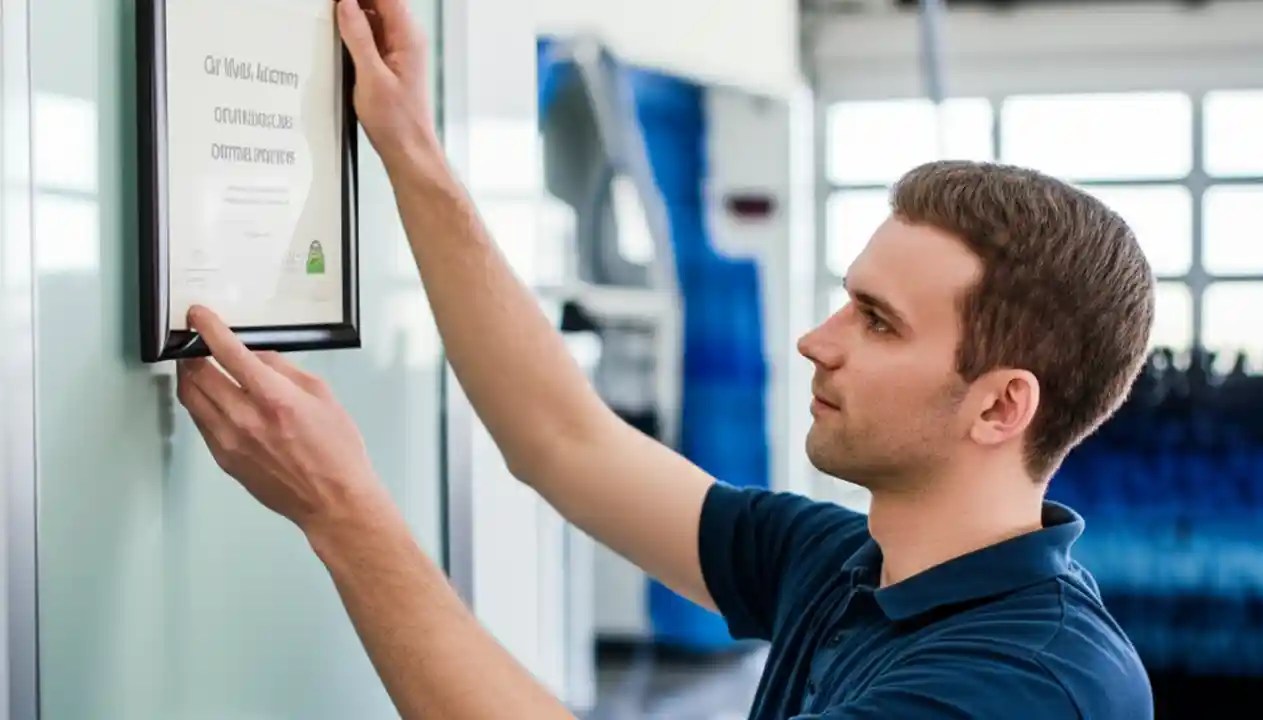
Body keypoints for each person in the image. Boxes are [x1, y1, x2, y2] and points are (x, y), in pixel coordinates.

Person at [176, 0, 1156, 717]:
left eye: (876, 321)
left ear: (998, 408)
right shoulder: (849, 565)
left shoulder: (1026, 687)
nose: (817, 341)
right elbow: (564, 440)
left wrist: (342, 512)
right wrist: (409, 147)